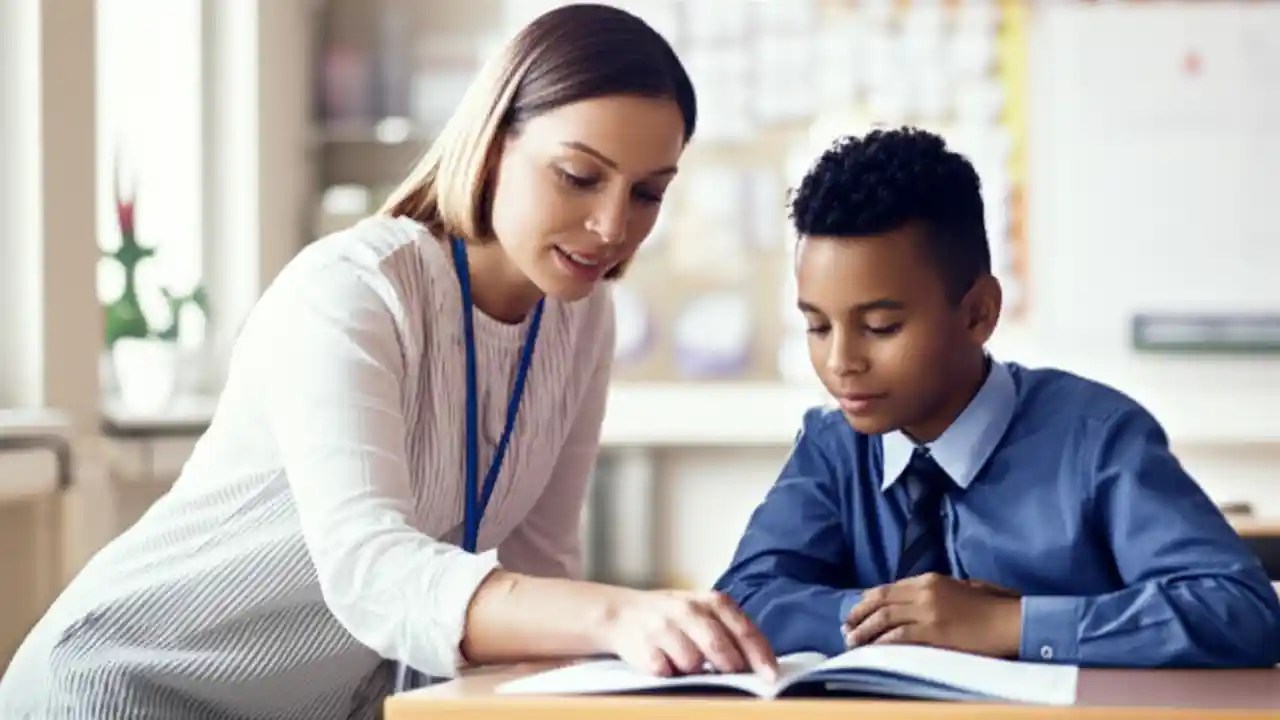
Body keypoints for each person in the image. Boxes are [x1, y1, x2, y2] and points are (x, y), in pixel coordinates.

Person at [0, 5, 776, 718]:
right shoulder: (355, 288)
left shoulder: (582, 316)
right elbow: (371, 570)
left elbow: (546, 565)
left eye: (647, 193)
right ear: (494, 141)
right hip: (122, 685)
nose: (612, 226)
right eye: (578, 176)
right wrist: (622, 613)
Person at [713, 127, 1280, 668]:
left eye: (881, 326)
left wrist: (1011, 625)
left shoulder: (1098, 440)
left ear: (979, 312)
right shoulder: (833, 448)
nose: (841, 362)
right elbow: (743, 601)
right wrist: (899, 619)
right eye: (817, 327)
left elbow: (1242, 611)